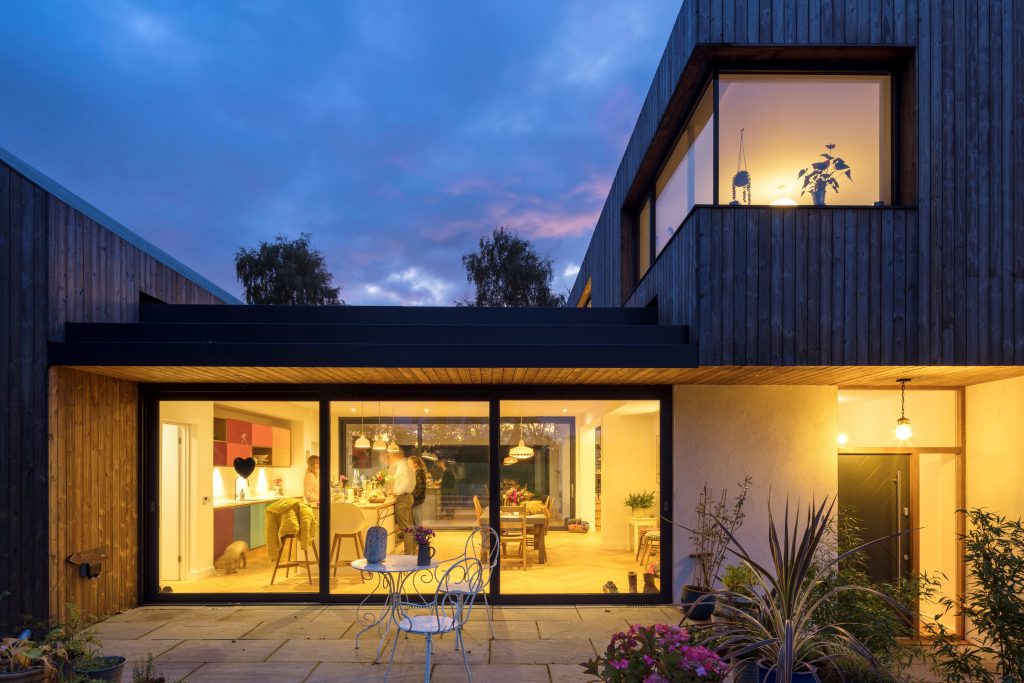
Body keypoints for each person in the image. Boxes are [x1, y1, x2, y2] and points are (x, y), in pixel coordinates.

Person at [389, 449, 416, 554]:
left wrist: (395, 492)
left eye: (391, 455)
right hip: (408, 497)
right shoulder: (407, 465)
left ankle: (409, 554)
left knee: (405, 528)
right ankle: (411, 551)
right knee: (409, 526)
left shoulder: (402, 465)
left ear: (396, 455)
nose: (390, 458)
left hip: (403, 498)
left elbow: (405, 483)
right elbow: (410, 482)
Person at [408, 455, 428, 526]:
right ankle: (417, 536)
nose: (408, 465)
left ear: (415, 464)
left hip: (416, 500)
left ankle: (419, 536)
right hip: (416, 499)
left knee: (416, 520)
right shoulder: (416, 473)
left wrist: (412, 496)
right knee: (416, 520)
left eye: (409, 463)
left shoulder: (419, 473)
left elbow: (420, 488)